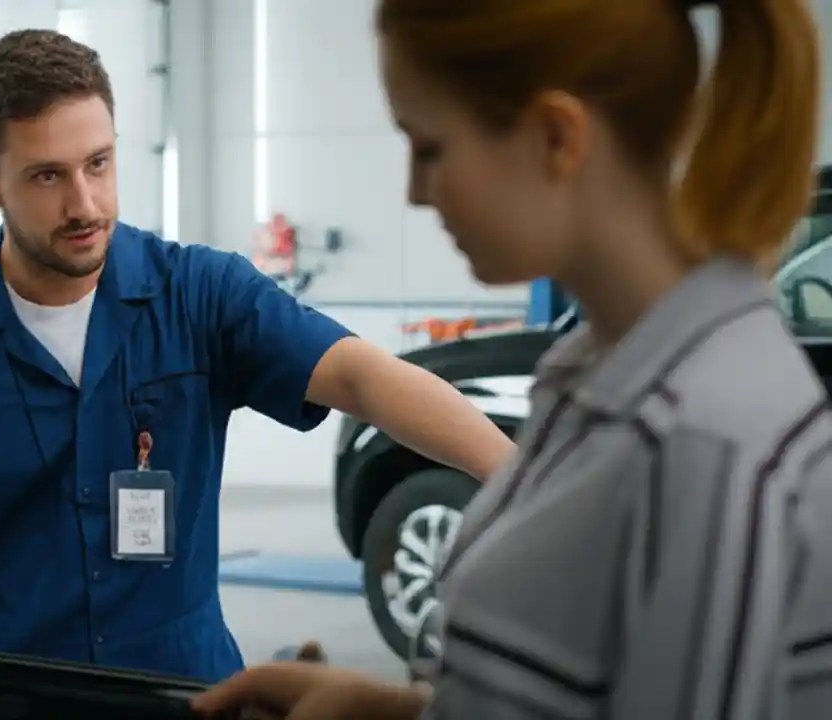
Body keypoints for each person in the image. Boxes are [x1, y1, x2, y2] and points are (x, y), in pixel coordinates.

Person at [192, 0, 832, 718]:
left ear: (557, 137)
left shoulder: (703, 442)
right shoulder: (593, 371)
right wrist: (391, 711)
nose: (414, 191)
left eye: (430, 148)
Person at [0, 28, 515, 683]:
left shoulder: (199, 294)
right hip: (19, 704)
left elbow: (362, 377)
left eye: (98, 163)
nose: (85, 203)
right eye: (47, 177)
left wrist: (523, 480)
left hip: (191, 695)